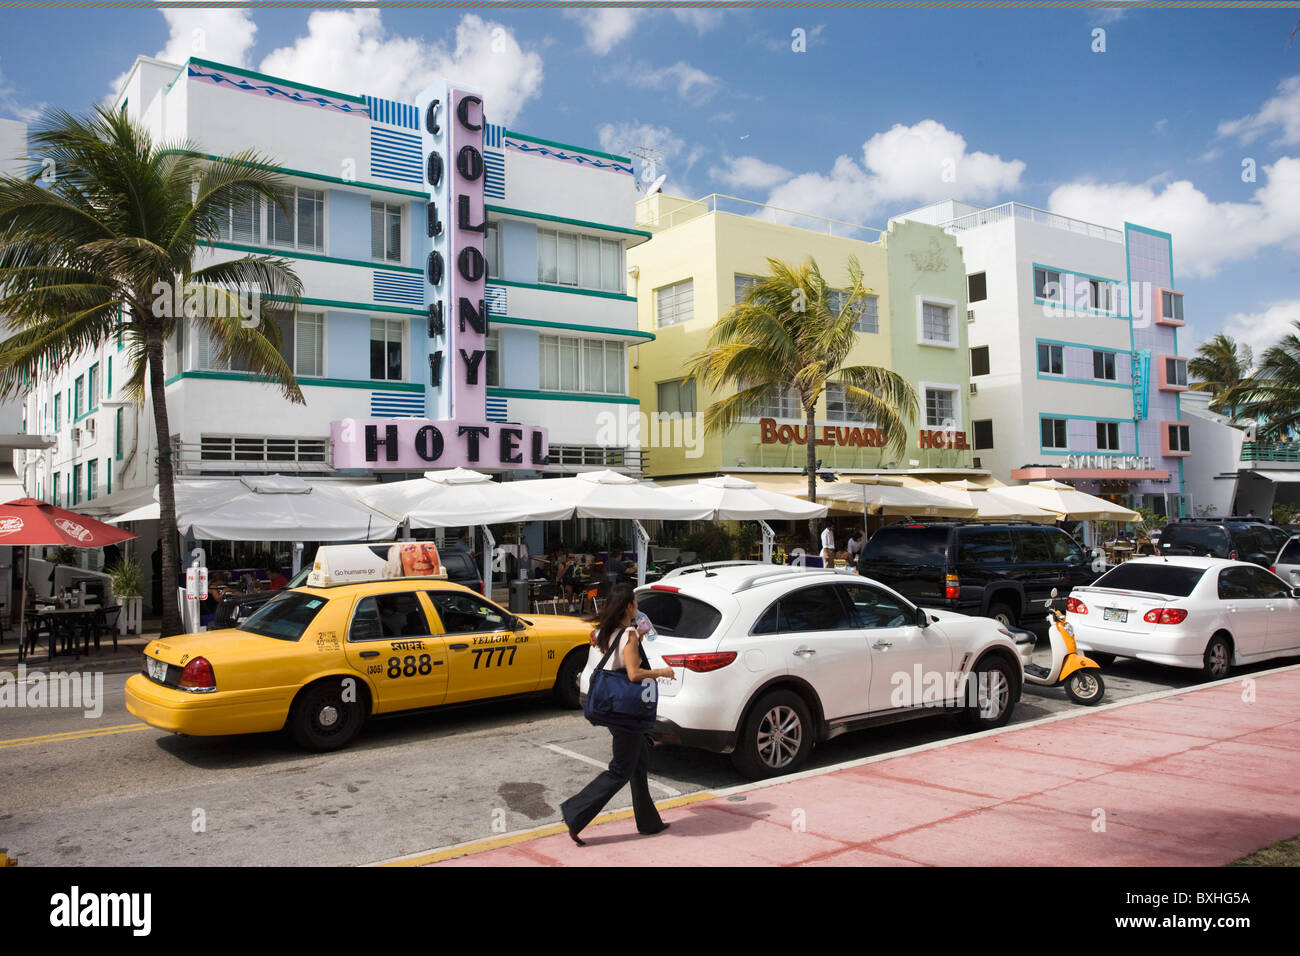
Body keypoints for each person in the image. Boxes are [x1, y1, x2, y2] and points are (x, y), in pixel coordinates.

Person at [560, 584, 675, 846]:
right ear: (629, 607)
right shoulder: (629, 633)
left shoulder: (611, 632)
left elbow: (622, 660)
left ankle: (649, 822)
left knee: (639, 763)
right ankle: (575, 812)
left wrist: (640, 639)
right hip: (627, 713)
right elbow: (633, 674)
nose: (637, 607)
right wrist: (661, 672)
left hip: (615, 708)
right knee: (620, 770)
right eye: (635, 603)